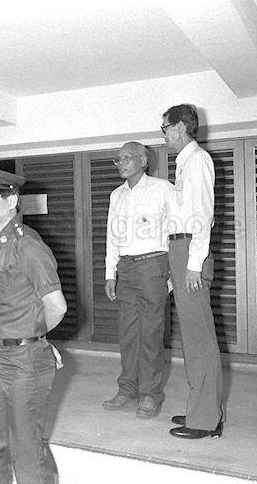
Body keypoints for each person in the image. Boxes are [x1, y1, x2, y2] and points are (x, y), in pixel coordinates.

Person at [0, 164, 67, 484]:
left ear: (12, 201)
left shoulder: (28, 245)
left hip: (23, 361)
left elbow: (56, 306)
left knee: (26, 449)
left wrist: (36, 338)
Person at [161, 104, 223, 439]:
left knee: (200, 339)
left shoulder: (197, 160)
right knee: (193, 338)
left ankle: (206, 419)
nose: (165, 134)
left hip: (190, 251)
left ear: (182, 126)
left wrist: (193, 263)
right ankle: (202, 408)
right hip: (181, 251)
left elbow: (202, 215)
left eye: (166, 128)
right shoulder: (185, 163)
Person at [102, 142, 173, 419]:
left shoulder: (162, 188)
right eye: (117, 159)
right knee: (128, 334)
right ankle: (127, 389)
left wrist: (171, 274)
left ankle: (150, 395)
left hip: (153, 265)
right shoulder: (116, 195)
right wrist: (111, 273)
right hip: (126, 268)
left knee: (152, 335)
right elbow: (111, 237)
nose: (120, 163)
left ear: (143, 160)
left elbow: (178, 228)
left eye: (126, 158)